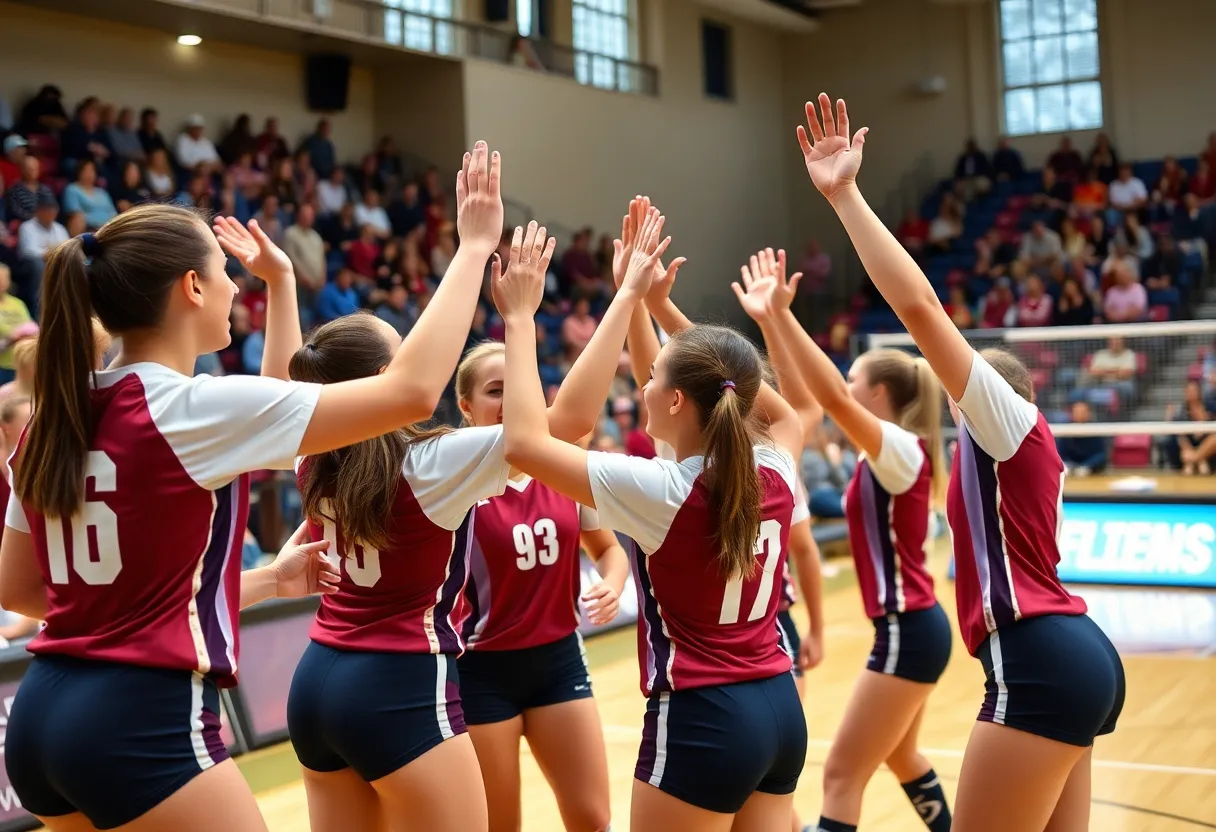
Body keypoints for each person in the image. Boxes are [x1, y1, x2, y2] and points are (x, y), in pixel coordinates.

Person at [0, 142, 506, 832]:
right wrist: (473, 248)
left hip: (39, 719)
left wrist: (265, 583)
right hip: (139, 719)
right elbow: (412, 391)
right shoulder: (192, 407)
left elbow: (25, 590)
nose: (236, 288)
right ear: (191, 288)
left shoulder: (54, 416)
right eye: (224, 274)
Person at [797, 93, 1124, 832]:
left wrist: (846, 196)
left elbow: (919, 308)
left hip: (1037, 656)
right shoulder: (1012, 454)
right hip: (1073, 654)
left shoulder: (1006, 423)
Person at [496, 208, 808, 832]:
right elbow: (766, 405)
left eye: (653, 380)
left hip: (703, 716)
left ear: (674, 401)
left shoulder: (658, 490)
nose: (639, 387)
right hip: (779, 705)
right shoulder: (772, 466)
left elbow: (524, 445)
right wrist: (654, 308)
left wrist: (521, 318)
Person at [735, 246, 953, 832]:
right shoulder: (886, 453)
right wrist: (768, 321)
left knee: (840, 776)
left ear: (879, 394)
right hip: (914, 624)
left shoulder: (898, 451)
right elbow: (807, 399)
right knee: (901, 757)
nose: (844, 387)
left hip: (909, 627)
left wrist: (782, 316)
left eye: (854, 377)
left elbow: (823, 396)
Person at [453, 341, 630, 832]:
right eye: (494, 391)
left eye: (519, 388)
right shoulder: (451, 480)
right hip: (479, 671)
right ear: (466, 407)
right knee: (498, 824)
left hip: (558, 660)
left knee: (593, 819)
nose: (510, 400)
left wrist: (612, 585)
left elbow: (610, 549)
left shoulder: (565, 466)